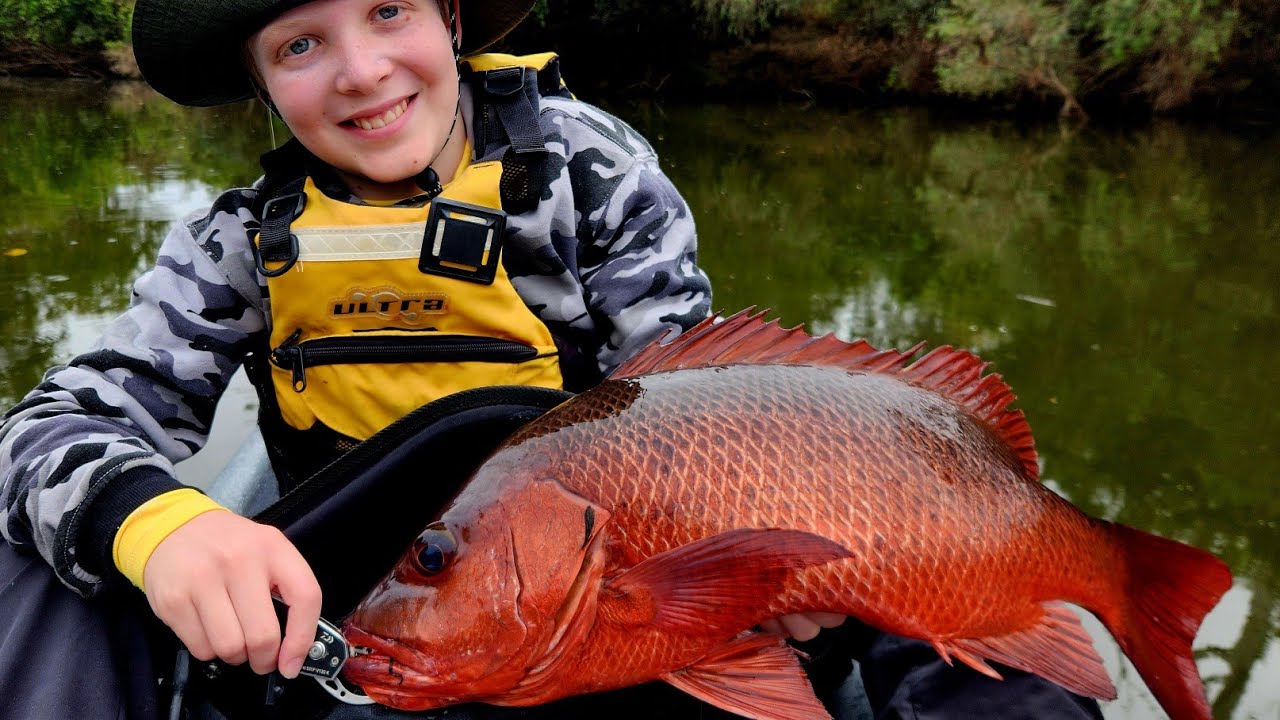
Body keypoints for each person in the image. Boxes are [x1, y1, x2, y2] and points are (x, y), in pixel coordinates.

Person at [0, 0, 1104, 718]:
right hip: (366, 599)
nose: (360, 71)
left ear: (449, 11)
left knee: (922, 573)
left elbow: (696, 409)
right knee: (47, 562)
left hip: (607, 570)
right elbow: (50, 427)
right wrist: (163, 527)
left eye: (388, 10)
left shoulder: (589, 172)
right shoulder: (234, 240)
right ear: (260, 82)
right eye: (300, 45)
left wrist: (764, 582)